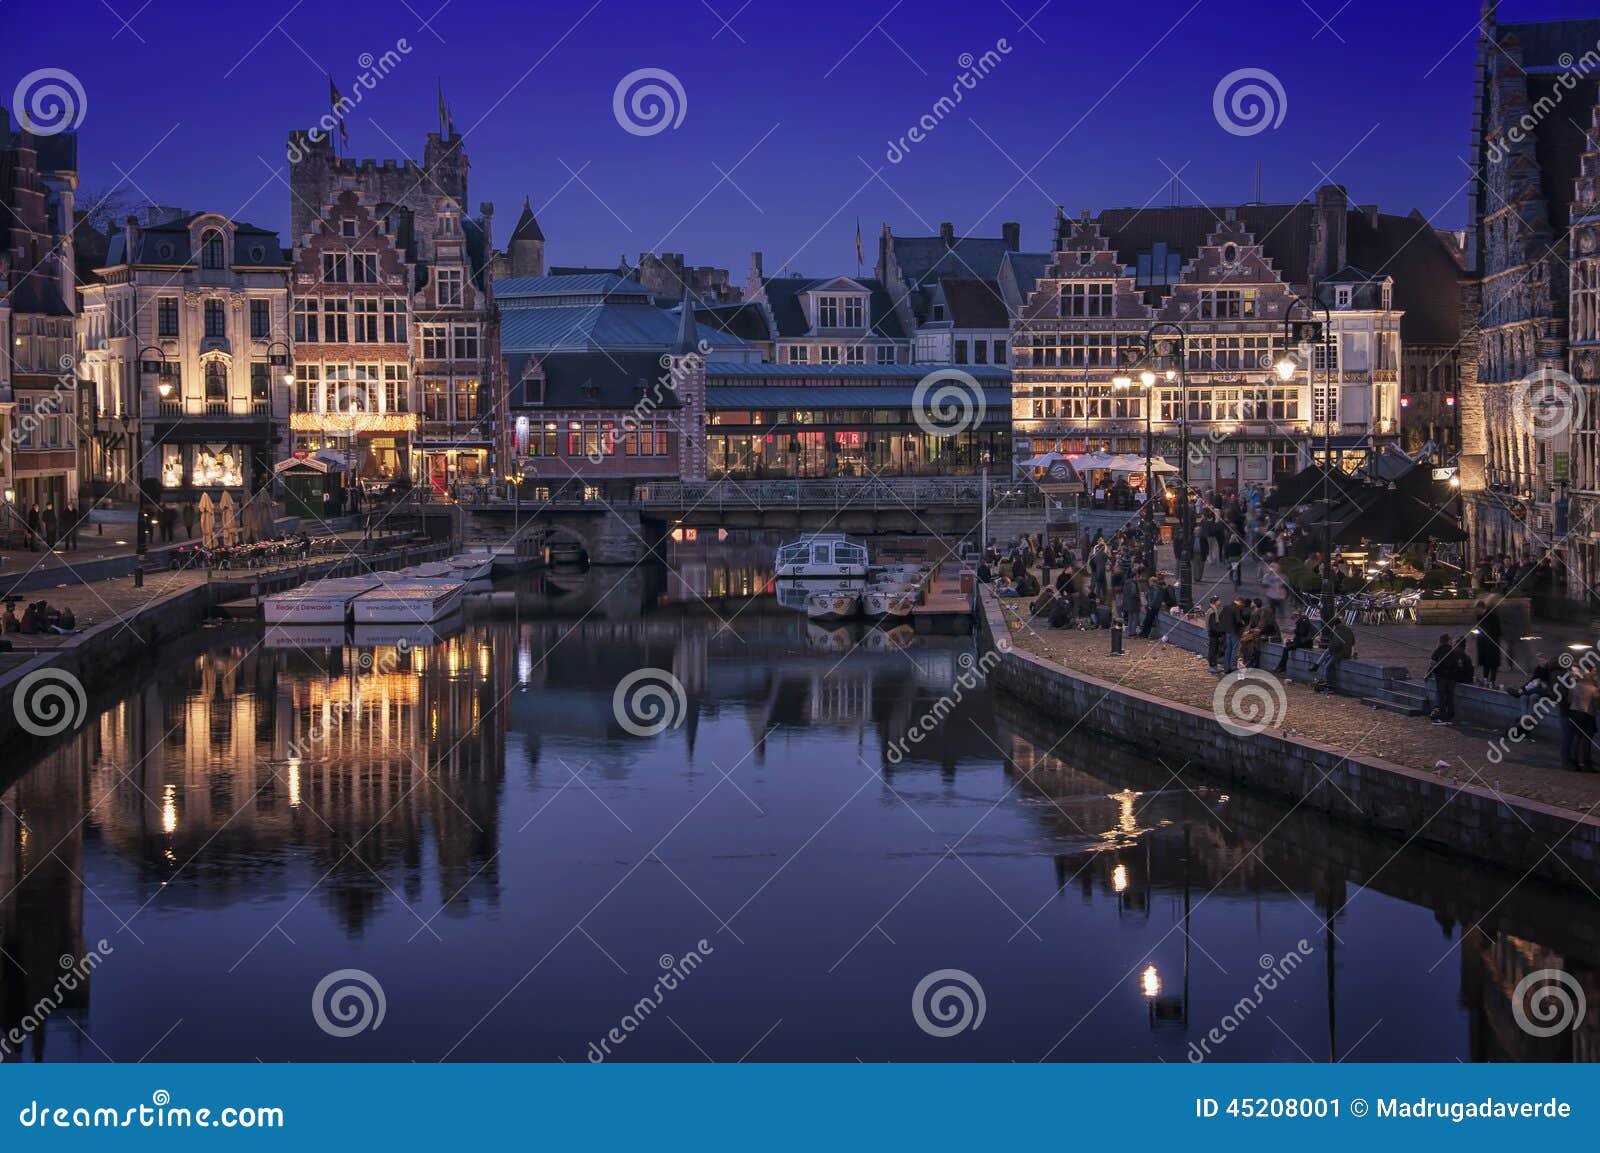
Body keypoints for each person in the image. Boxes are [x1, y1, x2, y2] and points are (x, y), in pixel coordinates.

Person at [1316, 615, 1355, 693]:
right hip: (1347, 651)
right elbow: (1353, 641)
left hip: (1340, 653)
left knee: (1328, 667)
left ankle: (1330, 686)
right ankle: (1317, 665)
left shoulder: (1337, 631)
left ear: (1334, 625)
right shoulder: (1348, 629)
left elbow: (1335, 646)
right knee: (1327, 657)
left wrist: (1331, 650)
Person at [1429, 633, 1458, 723]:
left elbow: (1432, 663)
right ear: (1448, 641)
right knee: (1450, 697)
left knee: (1441, 697)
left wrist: (1435, 671)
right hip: (1451, 677)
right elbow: (1457, 663)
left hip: (1441, 677)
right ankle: (1450, 716)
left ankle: (1442, 716)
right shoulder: (1453, 651)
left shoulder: (1438, 650)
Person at [1474, 599, 1503, 687]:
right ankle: (1485, 679)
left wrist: (1488, 633)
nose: (1477, 611)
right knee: (1485, 662)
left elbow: (1498, 630)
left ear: (1482, 608)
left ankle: (1492, 680)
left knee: (1493, 663)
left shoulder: (1492, 616)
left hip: (1492, 643)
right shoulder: (1479, 616)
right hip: (1483, 644)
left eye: (1478, 609)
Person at [1204, 595, 1225, 673]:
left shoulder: (1213, 610)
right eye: (1219, 600)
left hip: (1213, 633)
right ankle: (1212, 666)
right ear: (1215, 602)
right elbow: (1213, 625)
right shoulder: (1213, 612)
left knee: (1214, 649)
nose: (1220, 602)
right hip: (1213, 634)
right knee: (1213, 650)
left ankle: (1214, 666)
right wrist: (1221, 631)